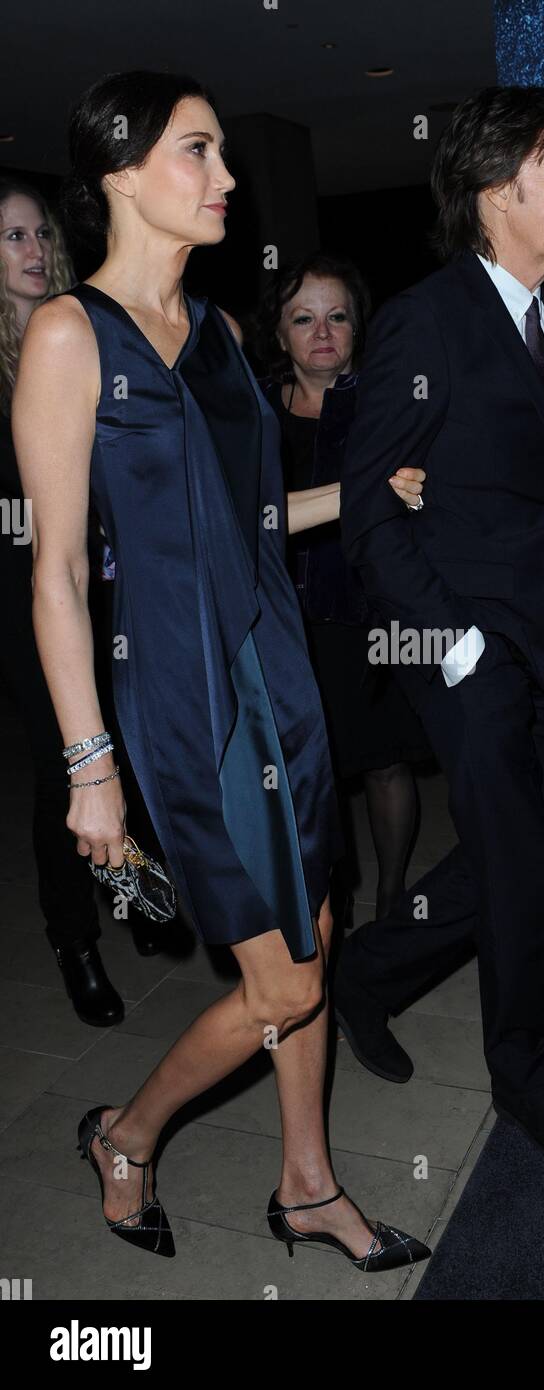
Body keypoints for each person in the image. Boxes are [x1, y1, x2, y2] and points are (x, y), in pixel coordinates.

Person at [12, 68, 430, 1270]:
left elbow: (251, 520)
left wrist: (362, 493)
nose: (227, 177)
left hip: (276, 669)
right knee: (283, 985)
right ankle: (127, 1133)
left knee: (315, 924)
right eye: (199, 152)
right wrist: (91, 766)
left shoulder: (217, 334)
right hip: (186, 693)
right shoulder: (66, 333)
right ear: (120, 173)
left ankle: (306, 1185)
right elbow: (57, 577)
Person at [334, 85, 544, 1167]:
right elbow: (370, 517)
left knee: (526, 852)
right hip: (463, 647)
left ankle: (362, 975)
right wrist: (458, 649)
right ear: (497, 192)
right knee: (516, 868)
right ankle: (528, 1084)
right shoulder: (425, 318)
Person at [253, 254, 432, 929]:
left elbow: (421, 501)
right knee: (305, 768)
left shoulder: (385, 401)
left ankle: (390, 902)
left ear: (358, 330)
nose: (321, 332)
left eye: (337, 317)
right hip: (283, 619)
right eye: (303, 318)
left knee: (385, 764)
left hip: (371, 612)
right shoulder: (255, 412)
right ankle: (322, 902)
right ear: (279, 333)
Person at [0, 177, 129, 1024]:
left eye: (41, 233)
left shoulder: (78, 336)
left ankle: (131, 893)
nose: (35, 252)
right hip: (22, 593)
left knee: (125, 744)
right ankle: (73, 937)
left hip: (105, 579)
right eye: (13, 237)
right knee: (65, 764)